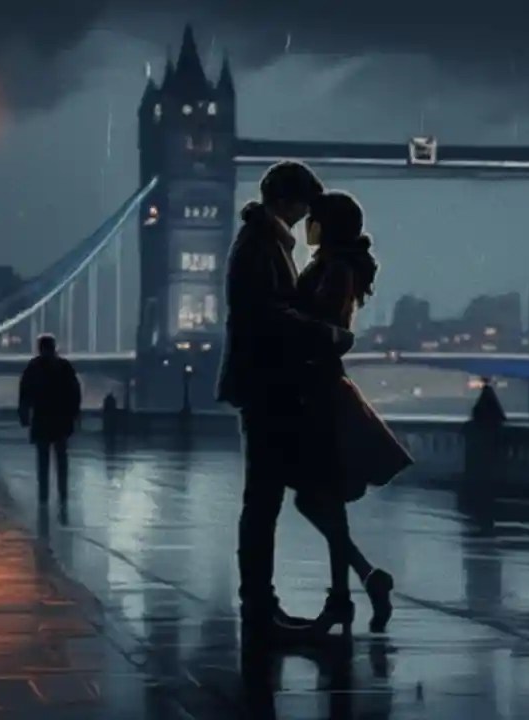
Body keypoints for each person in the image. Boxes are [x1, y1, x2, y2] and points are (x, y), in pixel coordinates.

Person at [215, 161, 355, 644]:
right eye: (303, 207)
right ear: (288, 201)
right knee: (264, 501)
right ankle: (258, 606)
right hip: (266, 384)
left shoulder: (265, 240)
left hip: (266, 383)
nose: (305, 218)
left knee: (269, 499)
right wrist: (329, 332)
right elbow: (268, 315)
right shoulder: (261, 244)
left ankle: (262, 602)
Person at [294, 190, 413, 634]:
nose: (308, 227)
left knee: (317, 496)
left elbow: (326, 324)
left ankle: (349, 593)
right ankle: (359, 584)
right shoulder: (336, 265)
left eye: (315, 219)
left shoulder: (336, 269)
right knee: (321, 497)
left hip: (319, 392)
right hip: (320, 387)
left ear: (328, 225)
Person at [17, 334, 82, 506]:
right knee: (61, 460)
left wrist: (24, 415)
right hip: (60, 419)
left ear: (40, 348)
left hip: (42, 418)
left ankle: (43, 496)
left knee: (43, 460)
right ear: (54, 348)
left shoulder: (33, 367)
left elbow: (25, 393)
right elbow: (75, 393)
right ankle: (63, 495)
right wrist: (74, 415)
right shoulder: (64, 366)